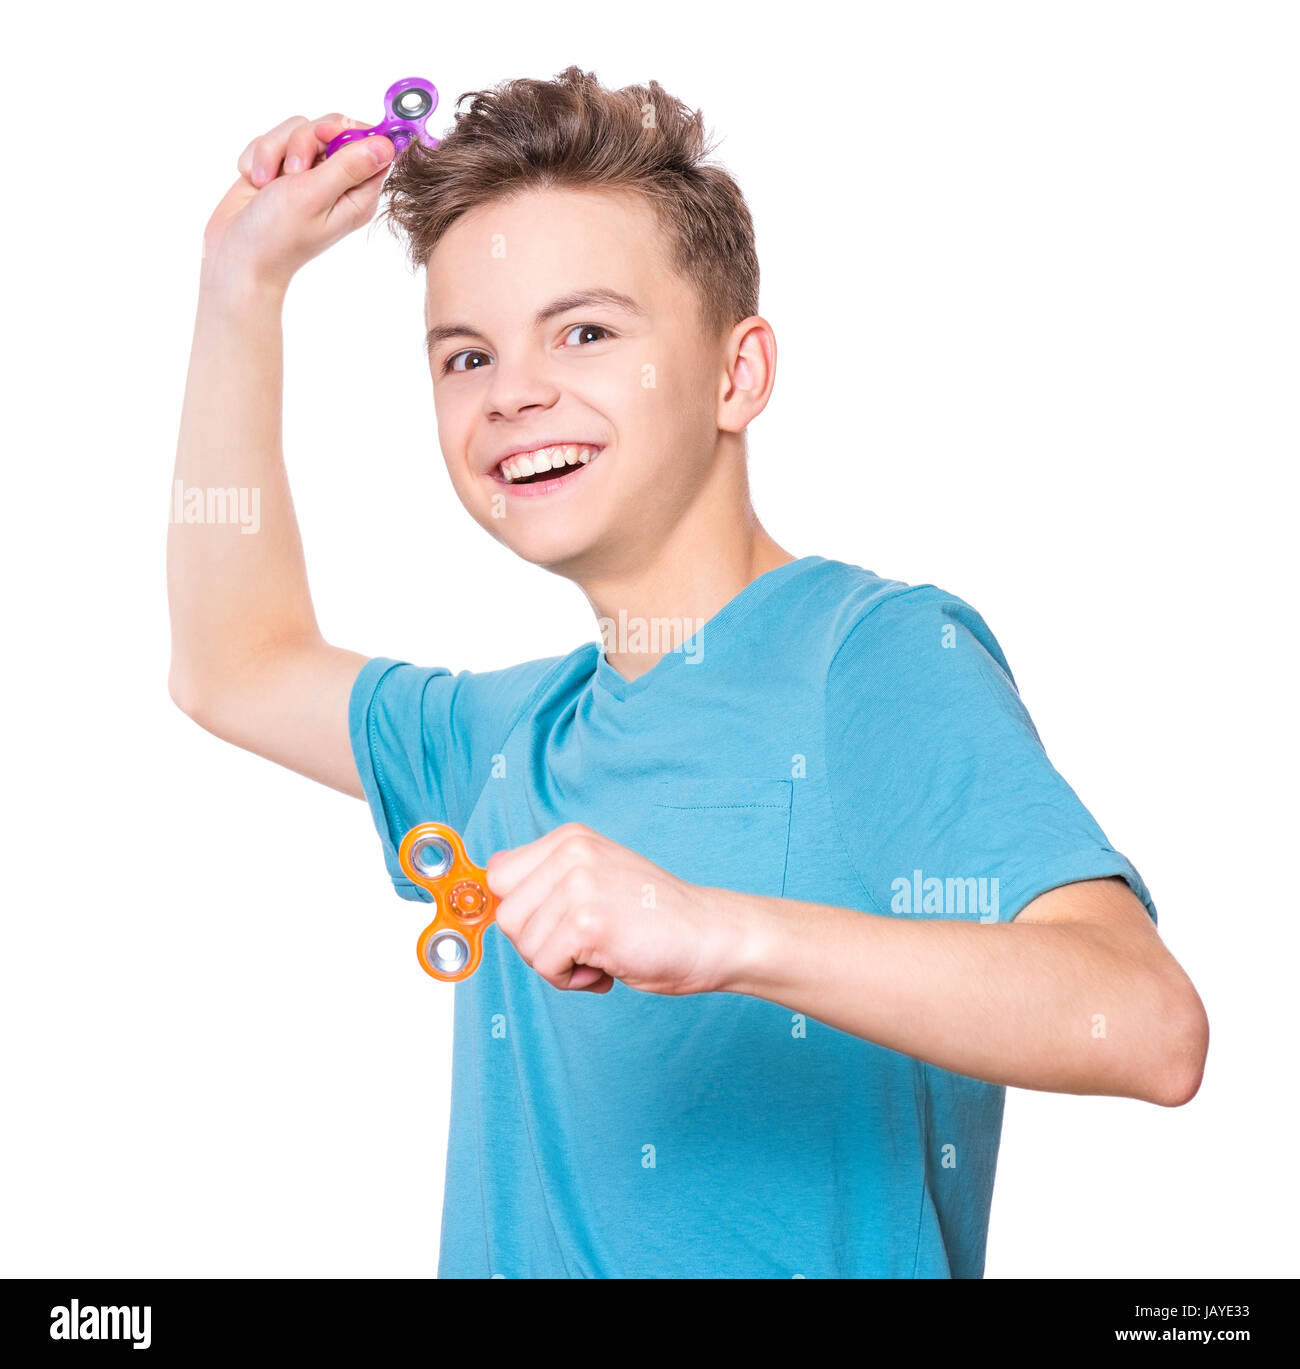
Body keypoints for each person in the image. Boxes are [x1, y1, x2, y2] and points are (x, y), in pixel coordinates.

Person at [169, 67, 1208, 1278]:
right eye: (464, 356)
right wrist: (239, 286)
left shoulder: (871, 660)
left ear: (737, 374)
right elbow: (231, 664)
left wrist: (714, 931)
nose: (513, 393)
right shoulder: (506, 738)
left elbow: (1146, 1025)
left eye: (586, 331)